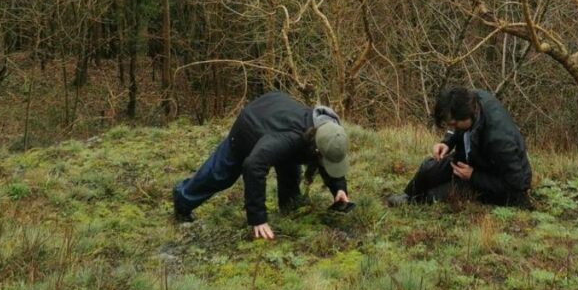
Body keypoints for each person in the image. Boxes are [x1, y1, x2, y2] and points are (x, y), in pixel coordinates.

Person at [173, 91, 352, 239]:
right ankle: (183, 199)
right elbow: (253, 166)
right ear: (316, 147)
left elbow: (328, 155)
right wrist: (257, 218)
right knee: (221, 175)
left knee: (290, 166)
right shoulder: (292, 138)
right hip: (251, 125)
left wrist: (339, 189)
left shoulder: (330, 129)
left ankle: (290, 207)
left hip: (277, 118)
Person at [388, 86, 532, 208]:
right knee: (428, 168)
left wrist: (473, 176)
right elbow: (457, 130)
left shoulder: (499, 140)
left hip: (491, 177)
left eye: (454, 124)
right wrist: (447, 142)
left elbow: (518, 184)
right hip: (472, 159)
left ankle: (414, 203)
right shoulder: (471, 99)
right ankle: (408, 196)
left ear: (467, 116)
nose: (451, 127)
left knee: (440, 194)